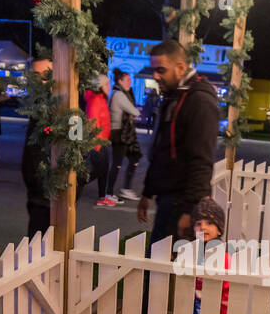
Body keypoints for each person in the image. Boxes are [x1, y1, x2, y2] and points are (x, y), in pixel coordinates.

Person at [136, 40, 219, 245]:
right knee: (160, 268)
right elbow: (161, 149)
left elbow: (201, 160)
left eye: (161, 70)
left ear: (181, 68)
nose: (155, 76)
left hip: (182, 202)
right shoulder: (174, 96)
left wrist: (190, 211)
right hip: (167, 199)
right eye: (154, 70)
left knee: (163, 271)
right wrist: (148, 192)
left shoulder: (199, 101)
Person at [21, 57, 54, 239]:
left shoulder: (62, 109)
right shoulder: (39, 105)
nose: (40, 81)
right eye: (35, 75)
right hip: (36, 194)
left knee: (41, 251)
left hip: (48, 197)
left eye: (46, 75)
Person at [191, 196, 230, 314]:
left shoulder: (223, 256)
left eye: (209, 223)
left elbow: (226, 287)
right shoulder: (193, 252)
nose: (203, 227)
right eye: (198, 224)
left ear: (219, 230)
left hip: (218, 308)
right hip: (196, 305)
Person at [82, 74, 116, 206]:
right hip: (98, 141)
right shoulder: (95, 99)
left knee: (103, 171)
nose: (109, 87)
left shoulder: (101, 98)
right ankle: (74, 186)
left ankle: (102, 197)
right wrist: (96, 143)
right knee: (97, 171)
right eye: (106, 84)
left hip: (103, 140)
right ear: (99, 86)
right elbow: (93, 122)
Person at [110, 68, 143, 201]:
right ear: (120, 81)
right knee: (117, 164)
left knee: (133, 159)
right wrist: (132, 110)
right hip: (119, 134)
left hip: (125, 134)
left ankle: (125, 189)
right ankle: (108, 192)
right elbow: (135, 111)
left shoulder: (122, 93)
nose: (130, 82)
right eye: (128, 80)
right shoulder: (119, 95)